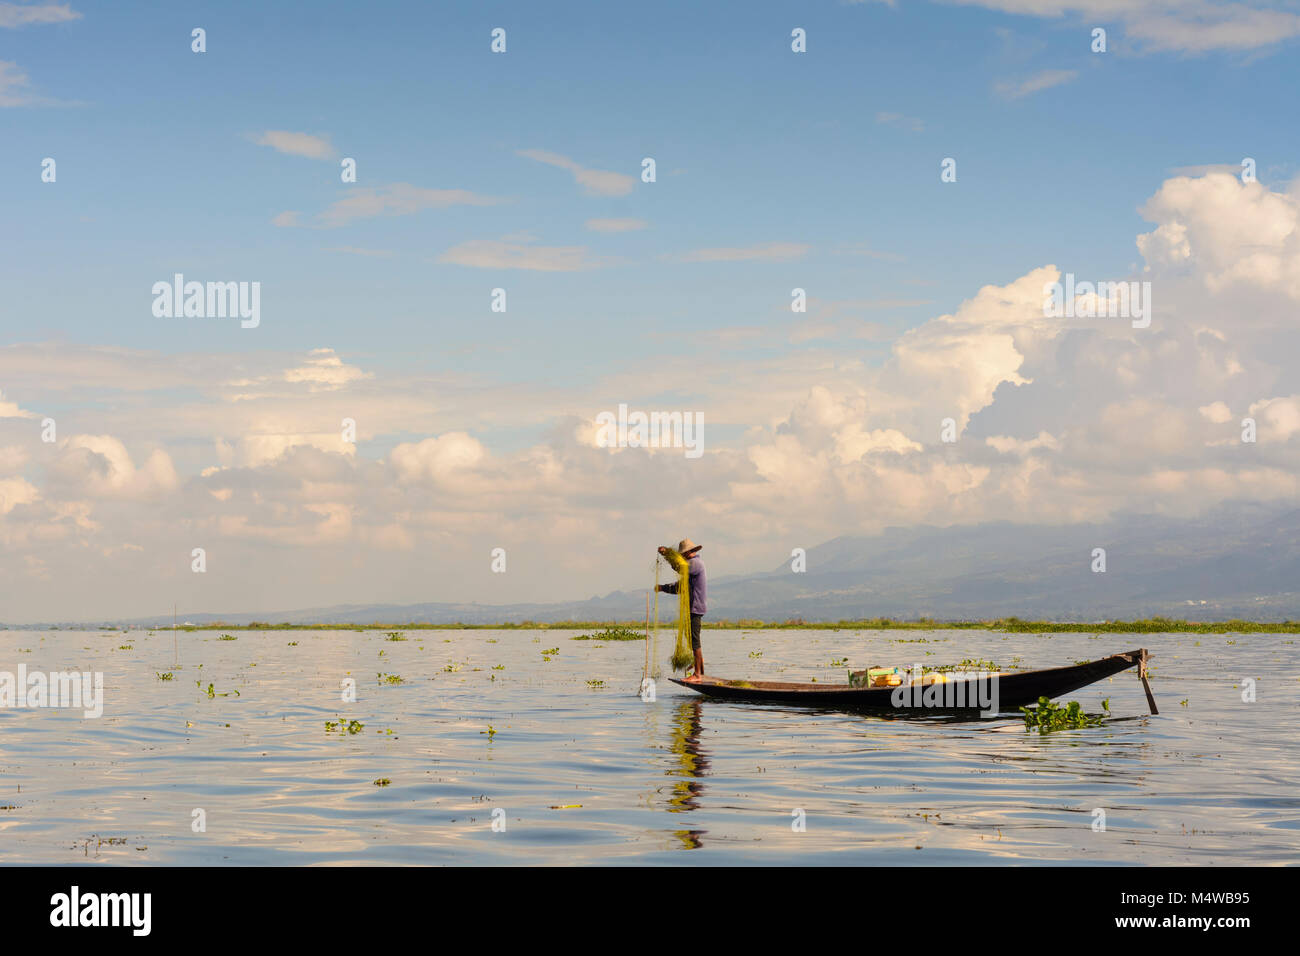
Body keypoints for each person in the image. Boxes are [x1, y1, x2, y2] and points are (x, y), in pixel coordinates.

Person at [657, 538, 708, 681]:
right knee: (691, 639)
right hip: (691, 608)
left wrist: (667, 554)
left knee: (695, 641)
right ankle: (700, 668)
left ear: (689, 552)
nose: (682, 556)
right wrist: (662, 588)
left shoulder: (695, 564)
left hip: (695, 607)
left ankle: (697, 675)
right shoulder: (690, 568)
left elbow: (680, 567)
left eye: (683, 554)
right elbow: (678, 587)